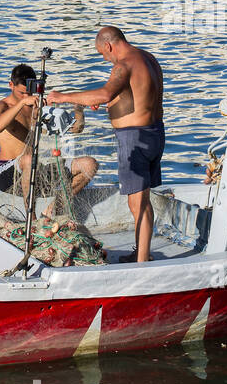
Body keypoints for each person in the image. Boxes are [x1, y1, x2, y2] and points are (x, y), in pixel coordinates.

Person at [48, 26, 164, 263]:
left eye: (103, 54)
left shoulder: (123, 64)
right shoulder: (148, 58)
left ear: (108, 46)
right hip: (154, 133)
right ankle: (142, 254)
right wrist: (113, 102)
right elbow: (139, 95)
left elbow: (105, 94)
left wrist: (64, 97)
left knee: (137, 202)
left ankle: (142, 263)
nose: (105, 58)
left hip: (134, 139)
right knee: (143, 199)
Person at [0, 63, 98, 204]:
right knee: (29, 159)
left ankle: (53, 210)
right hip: (6, 174)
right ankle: (33, 220)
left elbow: (76, 129)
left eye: (29, 93)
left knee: (90, 164)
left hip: (36, 170)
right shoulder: (2, 107)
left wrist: (78, 108)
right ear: (11, 85)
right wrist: (23, 103)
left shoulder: (39, 107)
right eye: (22, 93)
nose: (27, 96)